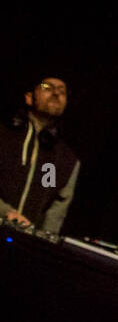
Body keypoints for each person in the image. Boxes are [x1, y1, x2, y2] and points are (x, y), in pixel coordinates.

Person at [0, 77, 80, 233]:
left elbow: (55, 210)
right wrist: (5, 212)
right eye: (47, 87)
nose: (56, 93)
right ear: (29, 98)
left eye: (62, 91)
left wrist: (43, 241)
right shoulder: (3, 135)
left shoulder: (64, 158)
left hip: (22, 245)